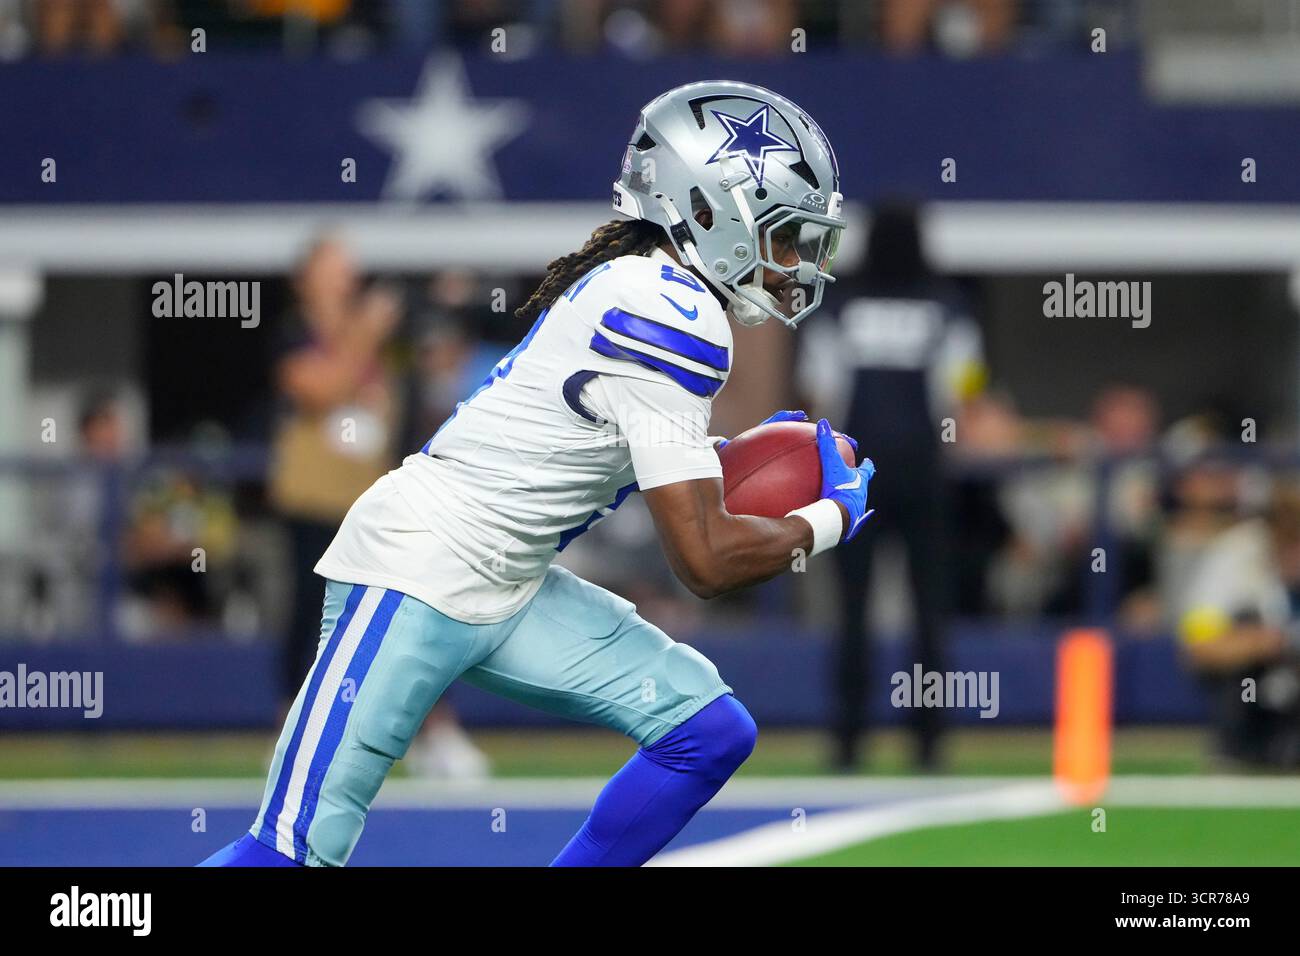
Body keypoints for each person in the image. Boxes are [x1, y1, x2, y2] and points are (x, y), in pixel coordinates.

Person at [200, 80, 873, 868]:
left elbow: (630, 462)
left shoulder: (650, 286)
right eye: (784, 234)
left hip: (511, 580)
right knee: (289, 853)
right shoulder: (673, 312)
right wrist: (830, 517)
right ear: (709, 210)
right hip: (418, 569)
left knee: (706, 731)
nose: (794, 260)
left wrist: (729, 458)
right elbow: (706, 561)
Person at [798, 201, 981, 770]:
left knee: (852, 610)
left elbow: (820, 393)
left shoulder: (841, 305)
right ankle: (929, 744)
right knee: (930, 612)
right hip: (923, 471)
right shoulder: (947, 306)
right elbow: (960, 393)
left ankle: (847, 743)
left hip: (857, 476)